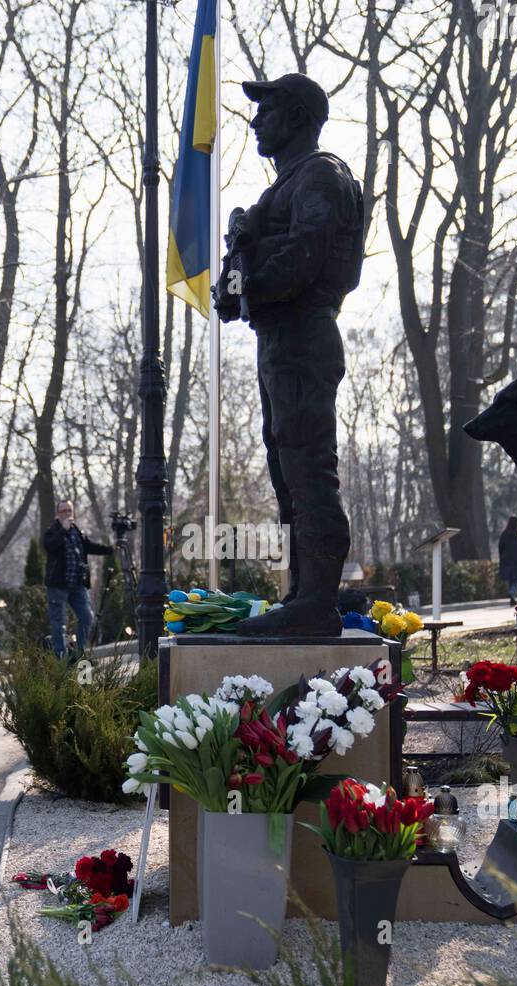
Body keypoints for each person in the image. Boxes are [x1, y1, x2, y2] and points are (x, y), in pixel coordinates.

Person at [212, 73, 366, 636]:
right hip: (279, 339)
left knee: (308, 469)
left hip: (304, 335)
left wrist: (250, 267)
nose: (256, 121)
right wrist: (242, 261)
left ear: (298, 115)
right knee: (286, 471)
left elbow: (304, 258)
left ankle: (317, 603)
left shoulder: (321, 175)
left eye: (268, 109)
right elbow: (232, 292)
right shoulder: (287, 187)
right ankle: (304, 593)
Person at [43, 500, 112, 659]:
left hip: (77, 585)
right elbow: (49, 547)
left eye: (69, 510)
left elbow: (88, 546)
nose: (67, 513)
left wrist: (110, 550)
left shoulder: (76, 531)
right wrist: (63, 530)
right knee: (59, 623)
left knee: (87, 616)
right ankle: (61, 657)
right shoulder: (52, 531)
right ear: (57, 514)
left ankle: (80, 652)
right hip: (58, 586)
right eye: (63, 511)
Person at [497, 515, 517, 605]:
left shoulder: (504, 534)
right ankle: (512, 593)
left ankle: (512, 597)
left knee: (511, 580)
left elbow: (500, 547)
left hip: (506, 561)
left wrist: (502, 557)